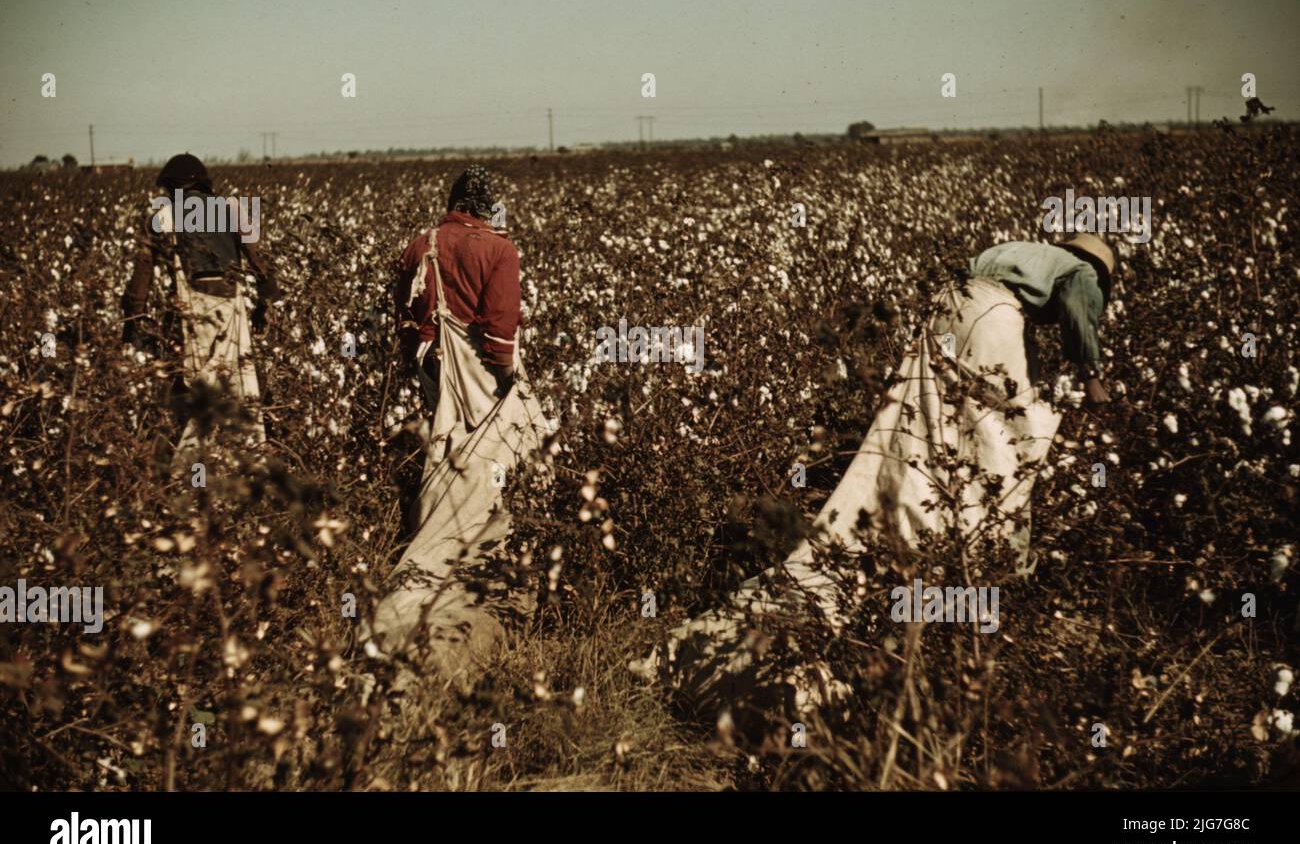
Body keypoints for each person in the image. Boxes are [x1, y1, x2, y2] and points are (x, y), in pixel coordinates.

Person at [640, 233, 1118, 711]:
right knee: (1005, 441)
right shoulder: (1081, 271)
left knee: (924, 432)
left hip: (948, 314)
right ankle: (978, 554)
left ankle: (927, 536)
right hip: (991, 323)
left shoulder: (1019, 254)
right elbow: (1079, 306)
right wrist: (1093, 380)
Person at [366, 165, 552, 688]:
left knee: (444, 457)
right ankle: (482, 562)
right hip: (480, 379)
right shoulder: (498, 250)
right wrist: (507, 382)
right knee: (495, 460)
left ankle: (433, 540)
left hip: (433, 372)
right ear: (487, 204)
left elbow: (405, 321)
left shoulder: (418, 246)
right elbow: (499, 332)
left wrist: (423, 364)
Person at [121, 153, 280, 462]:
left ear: (172, 188)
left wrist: (132, 322)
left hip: (188, 318)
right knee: (238, 391)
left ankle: (184, 471)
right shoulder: (233, 210)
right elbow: (264, 269)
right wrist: (264, 306)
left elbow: (142, 277)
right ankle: (242, 467)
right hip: (232, 317)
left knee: (185, 397)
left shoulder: (163, 214)